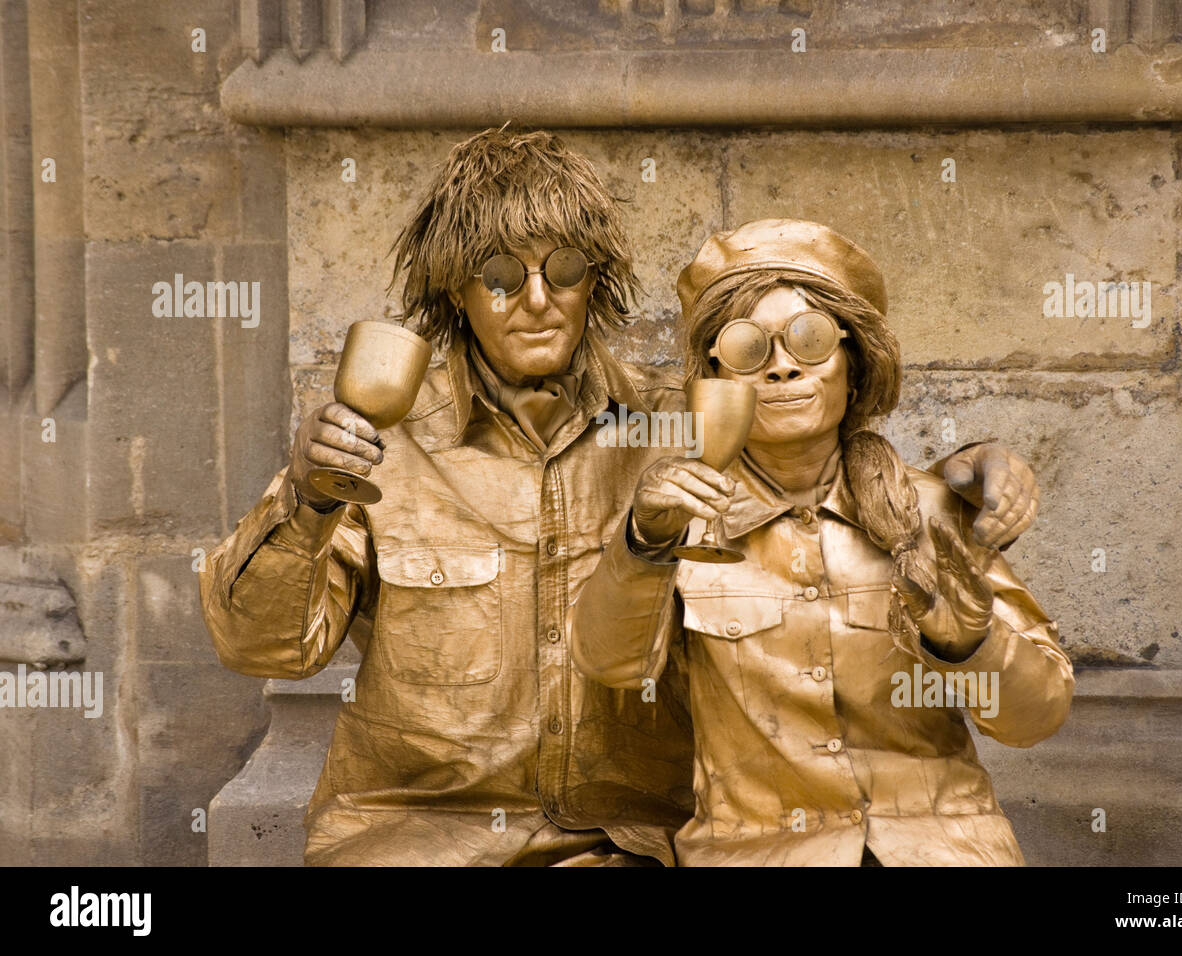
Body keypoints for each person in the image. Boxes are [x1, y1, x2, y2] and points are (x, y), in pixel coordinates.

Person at [198, 130, 1043, 866]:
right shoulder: (386, 445)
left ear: (595, 281)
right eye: (499, 275)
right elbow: (263, 647)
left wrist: (964, 475)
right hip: (408, 838)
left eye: (562, 271)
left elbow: (821, 445)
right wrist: (309, 501)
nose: (536, 299)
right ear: (453, 290)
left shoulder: (685, 425)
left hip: (621, 844)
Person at [571, 219, 1074, 866]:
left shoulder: (930, 512)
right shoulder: (685, 521)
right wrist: (643, 542)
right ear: (715, 381)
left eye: (808, 340)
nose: (782, 367)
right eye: (748, 347)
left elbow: (1036, 719)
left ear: (854, 363)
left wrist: (972, 643)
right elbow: (608, 666)